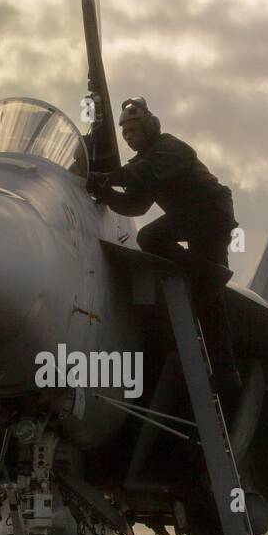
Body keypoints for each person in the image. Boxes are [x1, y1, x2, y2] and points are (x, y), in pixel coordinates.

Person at [87, 98, 242, 396]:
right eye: (125, 133)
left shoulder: (170, 149)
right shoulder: (145, 164)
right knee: (206, 300)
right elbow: (135, 205)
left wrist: (107, 178)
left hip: (211, 213)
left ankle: (206, 273)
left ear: (149, 126)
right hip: (197, 221)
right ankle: (226, 372)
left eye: (133, 130)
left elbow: (144, 174)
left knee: (149, 239)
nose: (129, 137)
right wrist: (106, 193)